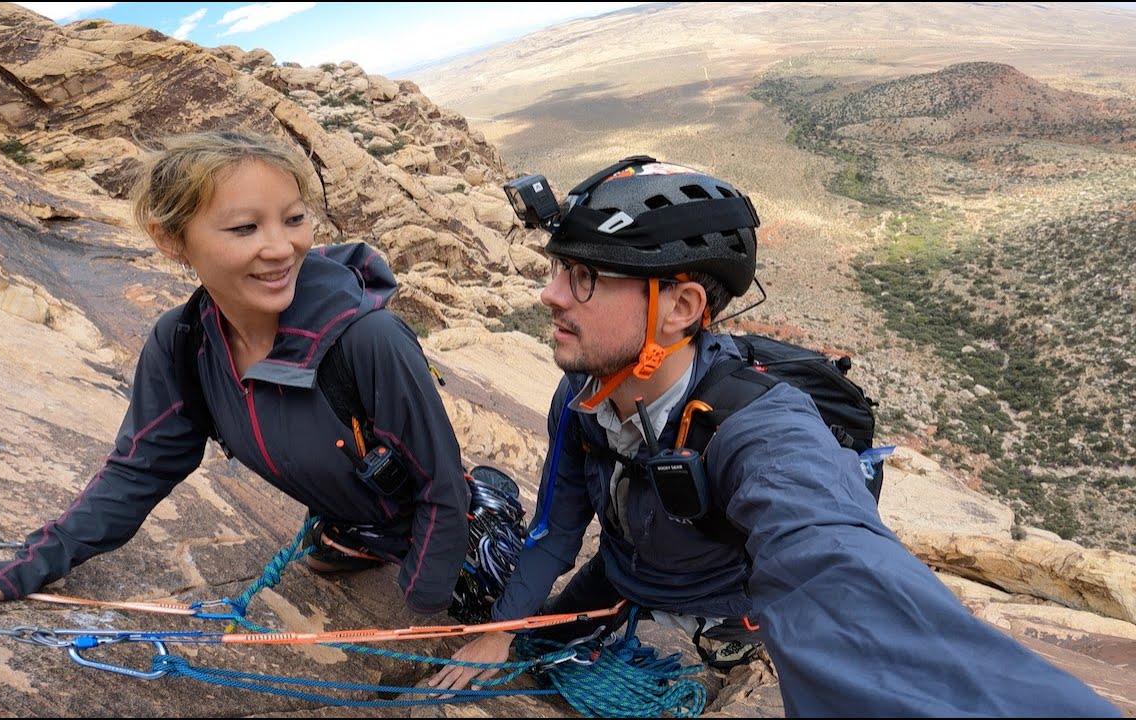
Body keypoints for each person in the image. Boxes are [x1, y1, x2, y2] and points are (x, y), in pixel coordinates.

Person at [429, 156, 1121, 716]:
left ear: (681, 308)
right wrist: (498, 632)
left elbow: (836, 567)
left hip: (722, 595)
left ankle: (735, 633)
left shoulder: (758, 425)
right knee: (532, 652)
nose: (551, 295)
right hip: (626, 571)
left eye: (583, 276)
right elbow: (555, 525)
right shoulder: (579, 397)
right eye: (557, 269)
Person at [0, 131, 471, 617]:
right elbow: (140, 468)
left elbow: (441, 488)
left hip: (450, 538)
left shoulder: (368, 339)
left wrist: (425, 609)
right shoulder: (185, 344)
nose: (282, 248)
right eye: (244, 228)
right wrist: (23, 567)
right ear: (171, 240)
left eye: (293, 219)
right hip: (350, 534)